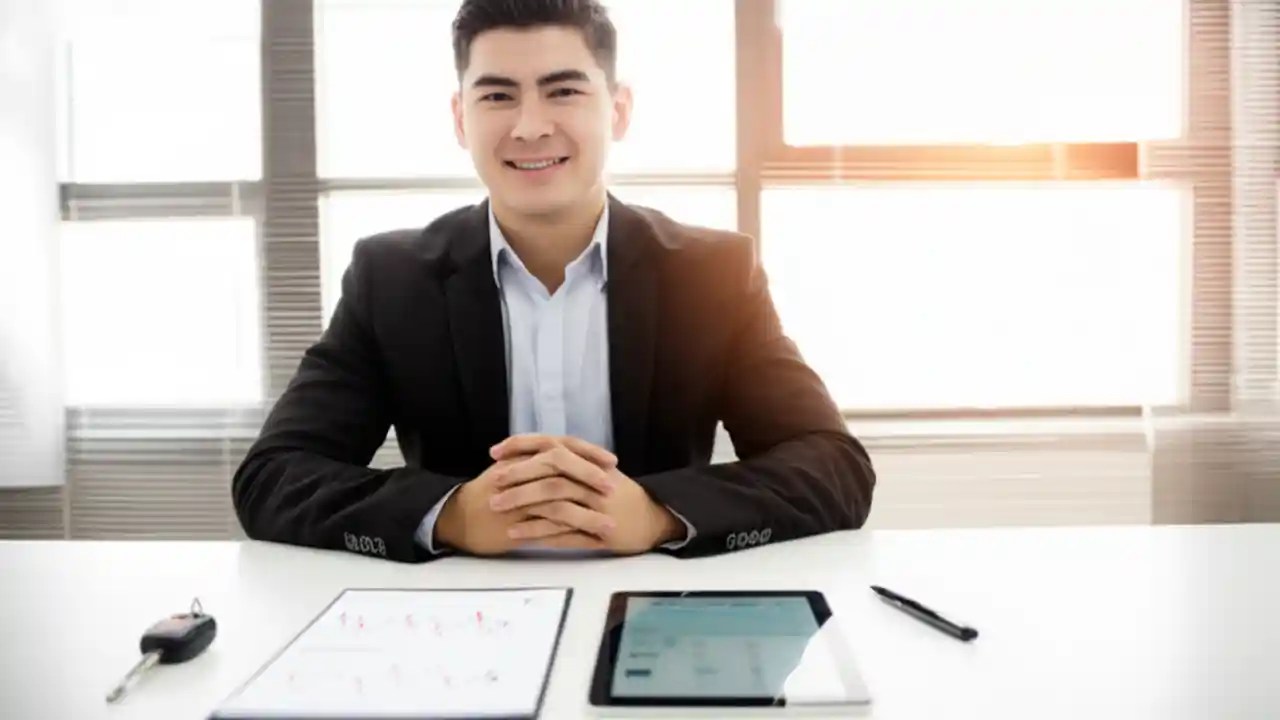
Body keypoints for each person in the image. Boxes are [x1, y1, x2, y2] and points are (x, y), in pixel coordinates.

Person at [232, 0, 875, 563]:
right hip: (459, 615)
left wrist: (656, 513)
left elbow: (835, 469)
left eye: (563, 91)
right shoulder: (392, 279)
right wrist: (450, 515)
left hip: (654, 606)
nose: (530, 126)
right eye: (497, 95)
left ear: (617, 110)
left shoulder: (710, 274)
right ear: (460, 118)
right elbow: (272, 479)